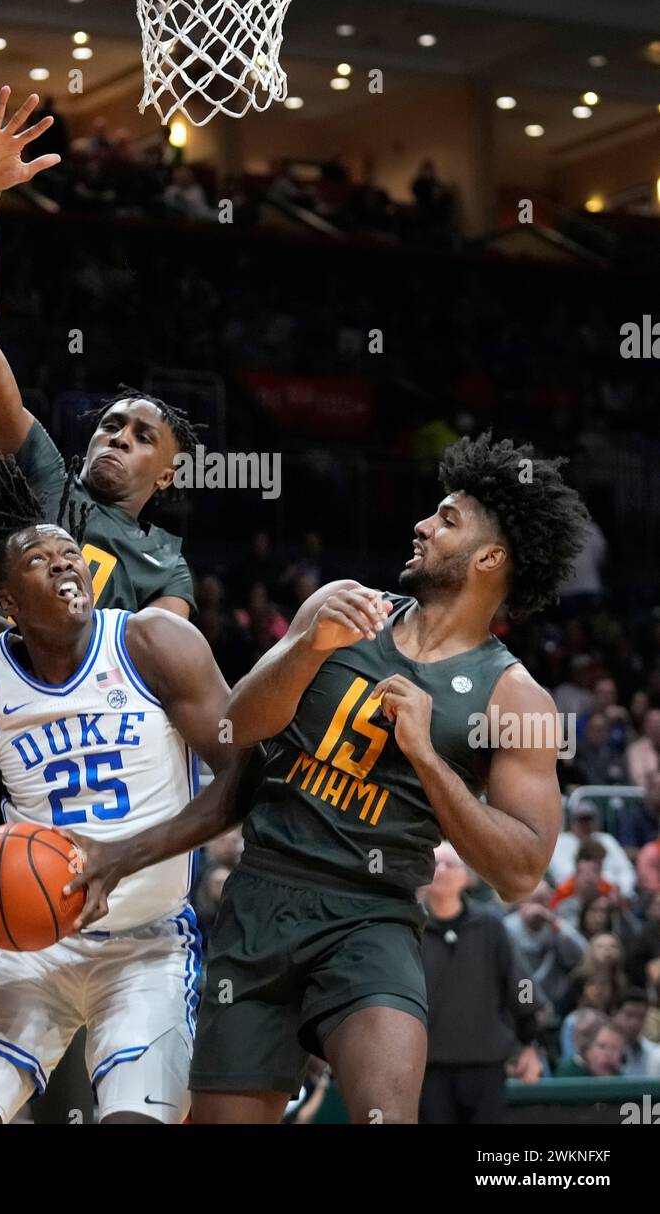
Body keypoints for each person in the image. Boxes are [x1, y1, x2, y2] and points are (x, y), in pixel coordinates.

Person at [0, 87, 201, 1125]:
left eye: (137, 431)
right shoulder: (42, 490)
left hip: (103, 861)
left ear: (170, 470)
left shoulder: (167, 579)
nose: (111, 435)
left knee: (87, 1091)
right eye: (106, 422)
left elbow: (197, 728)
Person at [186, 432, 588, 1123]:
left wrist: (430, 760)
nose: (422, 525)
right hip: (262, 896)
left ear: (489, 559)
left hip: (372, 915)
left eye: (446, 519)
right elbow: (233, 726)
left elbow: (520, 872)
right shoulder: (341, 607)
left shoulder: (518, 700)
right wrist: (307, 652)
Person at [0, 455, 255, 1124]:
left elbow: (243, 776)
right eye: (39, 561)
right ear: (9, 604)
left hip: (150, 944)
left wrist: (122, 857)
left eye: (69, 552)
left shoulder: (153, 643)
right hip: (29, 952)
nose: (63, 564)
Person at [419, 844, 544, 1124]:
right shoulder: (409, 928)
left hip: (486, 1067)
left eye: (449, 864)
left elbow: (520, 988)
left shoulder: (490, 926)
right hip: (427, 1069)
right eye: (434, 864)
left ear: (468, 877)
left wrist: (529, 1045)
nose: (440, 871)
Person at [503, 882, 586, 1013]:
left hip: (555, 998)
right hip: (523, 997)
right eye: (534, 901)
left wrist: (555, 923)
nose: (538, 908)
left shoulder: (555, 925)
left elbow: (585, 953)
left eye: (543, 902)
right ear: (521, 903)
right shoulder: (508, 927)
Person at [547, 803, 636, 897]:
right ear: (572, 822)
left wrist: (623, 891)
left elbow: (627, 870)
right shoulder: (561, 841)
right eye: (581, 820)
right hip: (573, 895)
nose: (585, 824)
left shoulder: (607, 840)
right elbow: (563, 876)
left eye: (589, 820)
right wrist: (603, 885)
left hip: (613, 896)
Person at [612, 988, 660, 1076]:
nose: (634, 1023)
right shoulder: (601, 1048)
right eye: (629, 1015)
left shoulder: (654, 1053)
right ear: (615, 1013)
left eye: (640, 1017)